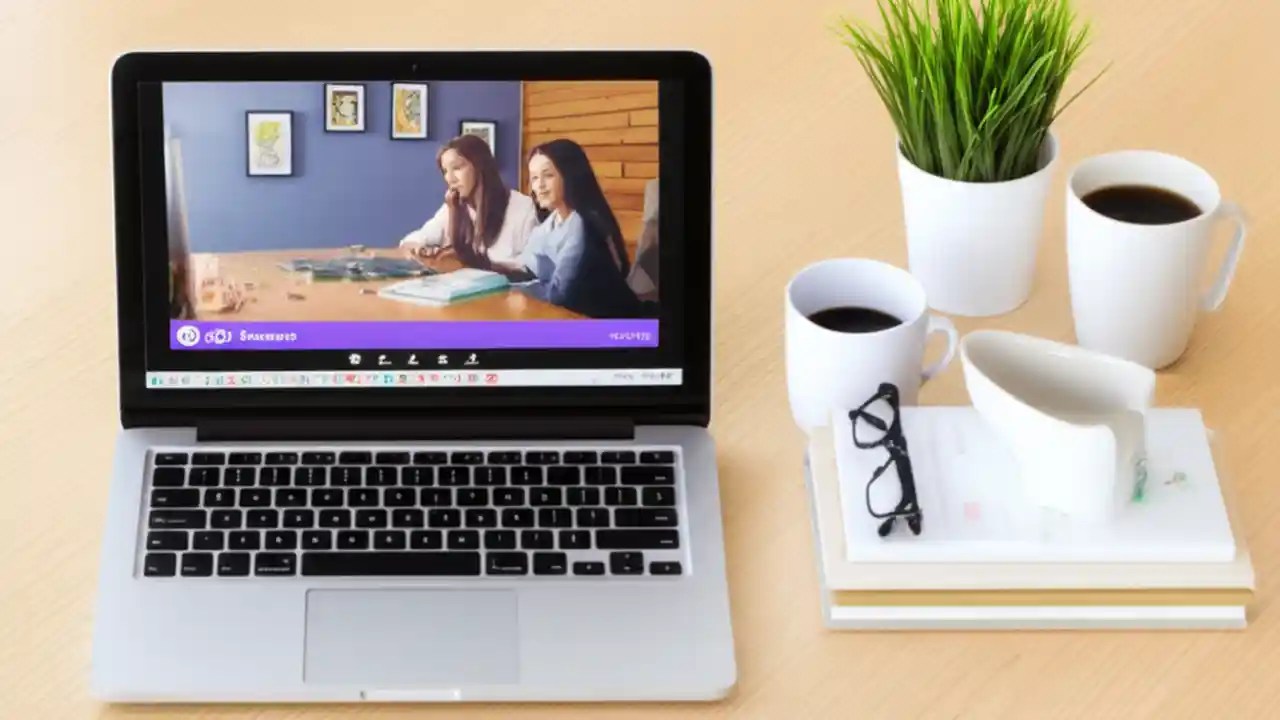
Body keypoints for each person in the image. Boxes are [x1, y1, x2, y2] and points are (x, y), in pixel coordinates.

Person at [516, 139, 648, 319]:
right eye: (534, 178)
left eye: (548, 175)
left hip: (609, 327)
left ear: (570, 175)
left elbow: (559, 295)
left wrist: (517, 292)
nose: (539, 186)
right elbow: (531, 267)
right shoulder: (551, 222)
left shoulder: (583, 223)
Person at [399, 134, 538, 273]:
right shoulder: (454, 207)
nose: (450, 179)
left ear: (480, 166)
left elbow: (531, 268)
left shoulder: (523, 208)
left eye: (457, 168)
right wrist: (419, 249)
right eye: (445, 171)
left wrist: (464, 263)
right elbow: (416, 238)